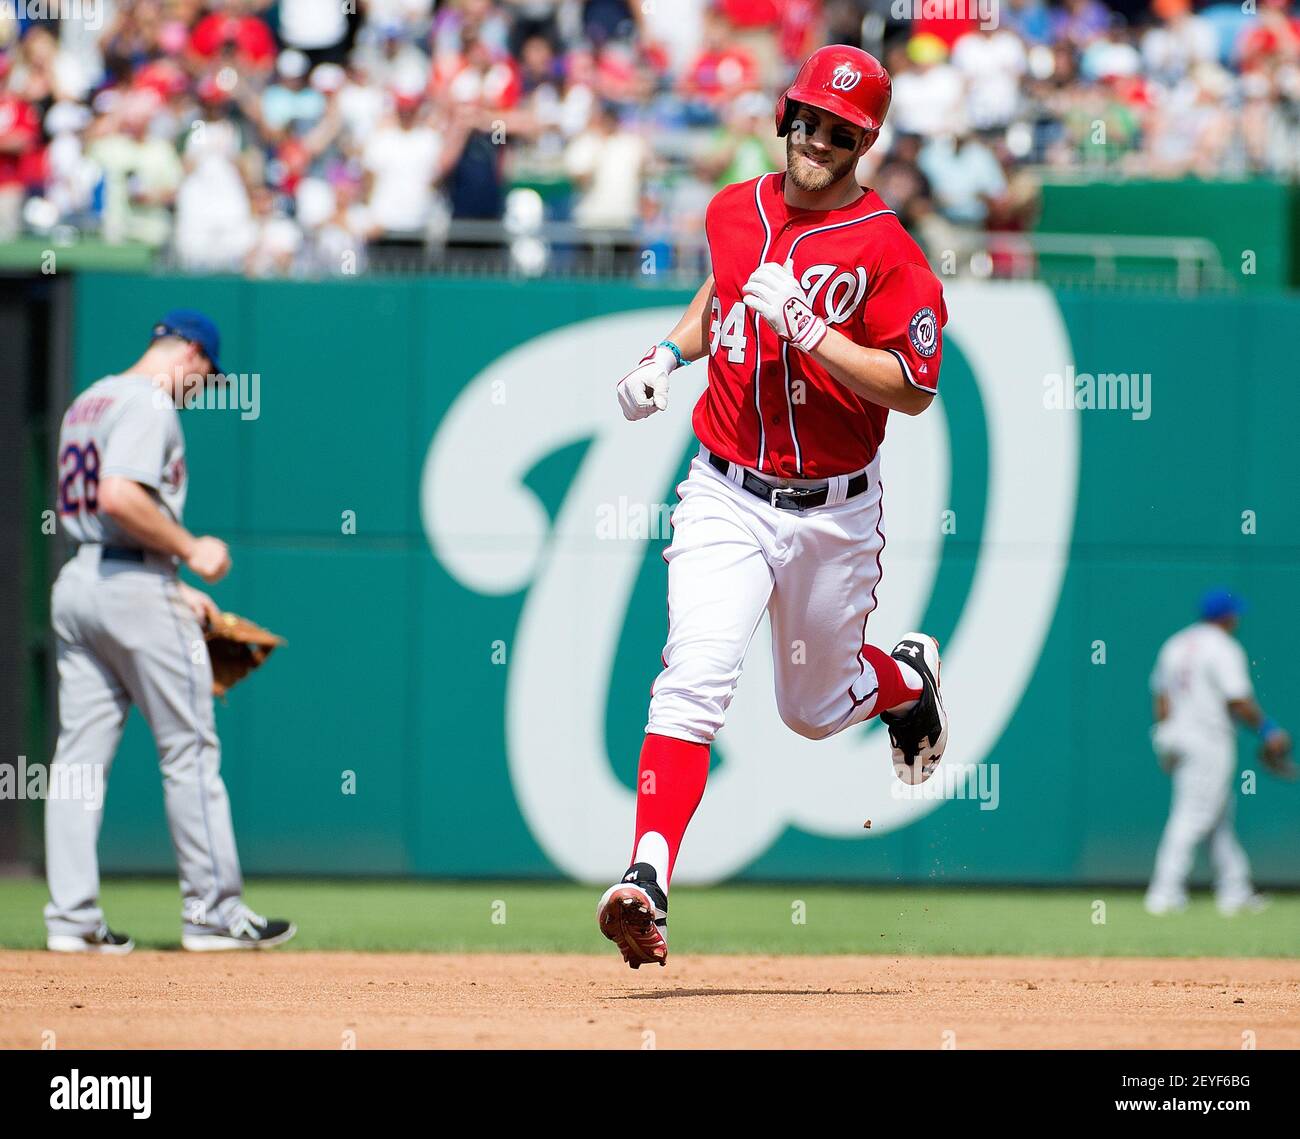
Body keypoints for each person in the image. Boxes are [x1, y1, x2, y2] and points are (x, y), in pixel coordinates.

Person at [599, 45, 949, 968]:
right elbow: (721, 292)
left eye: (843, 130)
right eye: (810, 119)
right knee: (695, 675)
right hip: (724, 487)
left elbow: (912, 386)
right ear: (785, 115)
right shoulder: (732, 207)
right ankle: (646, 876)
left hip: (833, 512)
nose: (820, 140)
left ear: (865, 142)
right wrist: (664, 358)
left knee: (814, 708)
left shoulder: (888, 249)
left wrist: (810, 329)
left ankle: (906, 678)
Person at [44, 310, 296, 954]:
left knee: (77, 764)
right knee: (190, 749)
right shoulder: (150, 403)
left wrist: (172, 584)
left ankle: (71, 920)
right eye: (205, 375)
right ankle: (212, 912)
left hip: (81, 584)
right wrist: (190, 551)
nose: (201, 388)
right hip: (132, 590)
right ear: (188, 352)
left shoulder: (87, 400)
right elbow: (118, 497)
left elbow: (103, 521)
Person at [1145, 589, 1292, 917]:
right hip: (1207, 738)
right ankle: (1164, 892)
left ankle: (1234, 889)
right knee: (1194, 814)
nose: (1237, 619)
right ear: (1226, 616)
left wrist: (1167, 734)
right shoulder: (1222, 647)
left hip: (1176, 734)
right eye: (1234, 614)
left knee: (1218, 816)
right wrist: (1268, 730)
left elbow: (1161, 696)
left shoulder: (1176, 643)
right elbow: (1237, 699)